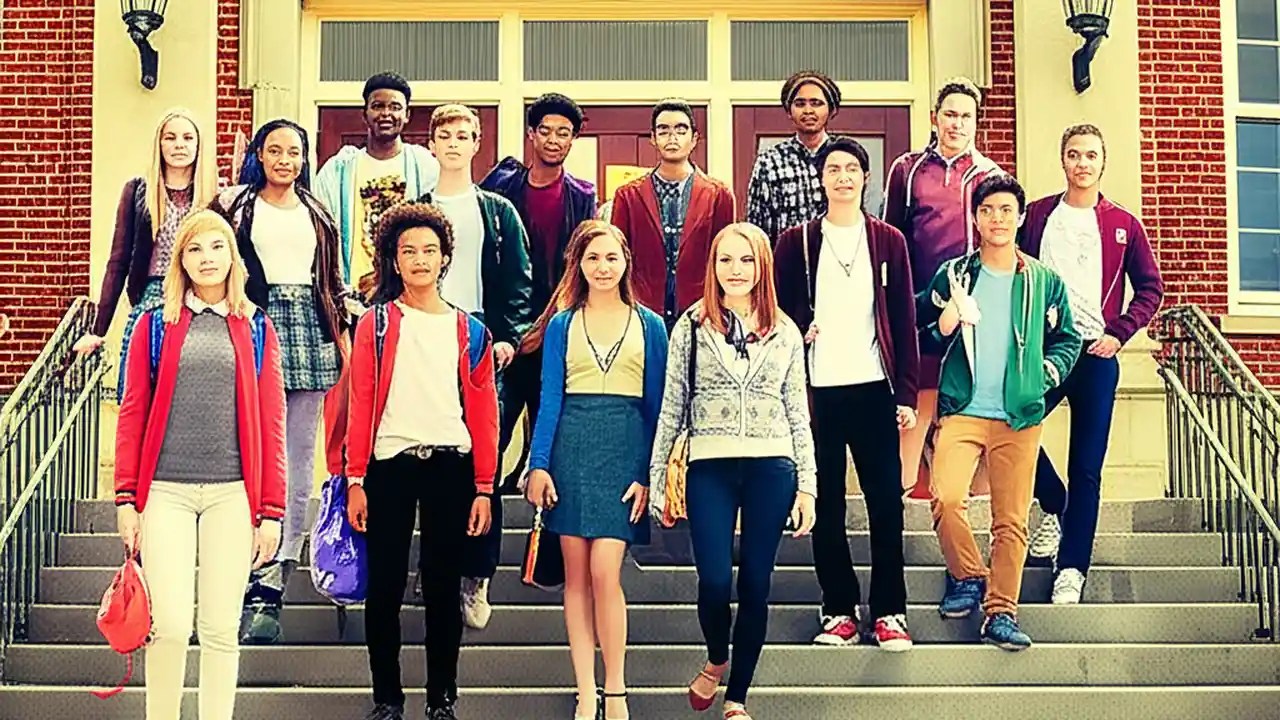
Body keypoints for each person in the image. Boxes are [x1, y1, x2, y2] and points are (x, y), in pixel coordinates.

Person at [114, 209, 286, 720]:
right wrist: (127, 499)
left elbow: (273, 423)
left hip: (234, 495)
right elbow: (132, 413)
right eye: (195, 249)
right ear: (181, 260)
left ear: (232, 256)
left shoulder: (255, 326)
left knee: (217, 628)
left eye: (217, 247)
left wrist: (271, 511)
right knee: (167, 625)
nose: (207, 258)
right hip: (165, 491)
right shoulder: (154, 324)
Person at [650, 222, 817, 720]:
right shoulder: (692, 326)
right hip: (710, 464)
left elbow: (797, 412)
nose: (736, 270)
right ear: (713, 266)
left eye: (746, 260)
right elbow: (672, 405)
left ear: (762, 265)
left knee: (757, 584)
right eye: (726, 260)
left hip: (772, 463)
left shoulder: (785, 331)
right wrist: (659, 477)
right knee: (715, 580)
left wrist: (808, 486)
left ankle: (737, 697)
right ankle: (717, 656)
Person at [344, 202, 498, 720]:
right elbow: (360, 399)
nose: (419, 259)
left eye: (429, 250)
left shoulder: (469, 330)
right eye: (407, 251)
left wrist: (484, 486)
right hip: (390, 465)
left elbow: (482, 411)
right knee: (384, 585)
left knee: (441, 587)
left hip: (450, 467)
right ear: (392, 260)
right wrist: (354, 477)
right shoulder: (377, 325)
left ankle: (441, 699)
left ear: (446, 258)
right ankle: (387, 698)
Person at [916, 174, 1081, 651]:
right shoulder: (955, 274)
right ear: (975, 217)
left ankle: (1001, 612)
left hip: (1018, 416)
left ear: (1020, 217)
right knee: (947, 498)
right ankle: (968, 574)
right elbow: (923, 326)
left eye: (1007, 210)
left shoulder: (1043, 282)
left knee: (1011, 520)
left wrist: (1047, 373)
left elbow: (1067, 337)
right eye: (988, 210)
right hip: (963, 408)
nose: (997, 219)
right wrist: (944, 324)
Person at [773, 138, 919, 650]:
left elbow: (903, 318)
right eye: (832, 169)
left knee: (886, 503)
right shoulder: (797, 242)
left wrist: (905, 393)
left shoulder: (888, 241)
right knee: (826, 504)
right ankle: (837, 608)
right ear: (821, 178)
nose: (841, 177)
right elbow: (778, 313)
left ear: (864, 178)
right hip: (818, 394)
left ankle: (889, 612)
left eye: (851, 169)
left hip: (874, 387)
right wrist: (798, 328)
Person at [210, 118, 349, 642]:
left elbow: (332, 279)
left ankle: (274, 581)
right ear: (260, 156)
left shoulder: (318, 212)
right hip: (252, 326)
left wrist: (345, 317)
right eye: (275, 150)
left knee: (296, 457)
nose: (284, 159)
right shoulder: (236, 206)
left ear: (304, 158)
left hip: (309, 328)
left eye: (294, 151)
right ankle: (238, 570)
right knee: (248, 452)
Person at [523, 221, 668, 720]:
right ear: (577, 265)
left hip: (626, 449)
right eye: (592, 259)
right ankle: (586, 692)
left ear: (626, 260)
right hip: (571, 449)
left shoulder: (651, 325)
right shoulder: (563, 323)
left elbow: (659, 407)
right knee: (577, 576)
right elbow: (548, 401)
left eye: (611, 257)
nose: (602, 268)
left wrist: (650, 471)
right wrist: (537, 464)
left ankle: (617, 687)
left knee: (607, 570)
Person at [1019, 124, 1164, 602]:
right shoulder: (1038, 216)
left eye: (1091, 156)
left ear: (1104, 163)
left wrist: (1118, 333)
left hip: (1097, 356)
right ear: (1062, 161)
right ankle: (1055, 506)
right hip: (1046, 352)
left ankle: (1072, 568)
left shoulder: (1123, 223)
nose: (1082, 163)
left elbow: (1150, 289)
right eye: (1074, 155)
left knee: (1087, 467)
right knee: (1014, 427)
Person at [423, 102, 535, 630]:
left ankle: (476, 574)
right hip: (423, 343)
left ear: (476, 144)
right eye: (444, 135)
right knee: (428, 458)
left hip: (481, 347)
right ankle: (434, 563)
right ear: (431, 144)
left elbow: (519, 279)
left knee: (480, 463)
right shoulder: (415, 208)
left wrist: (509, 337)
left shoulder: (496, 211)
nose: (453, 143)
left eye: (463, 135)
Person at [882, 77, 1003, 502]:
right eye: (950, 114)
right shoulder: (907, 169)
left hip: (976, 309)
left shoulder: (990, 174)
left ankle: (974, 501)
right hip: (919, 304)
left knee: (973, 399)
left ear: (977, 122)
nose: (957, 123)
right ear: (935, 118)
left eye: (966, 116)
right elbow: (891, 238)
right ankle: (902, 489)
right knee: (920, 395)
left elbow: (1002, 242)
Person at [480, 92, 598, 488]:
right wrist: (513, 331)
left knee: (550, 429)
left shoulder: (582, 196)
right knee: (493, 426)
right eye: (545, 131)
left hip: (556, 327)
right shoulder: (501, 188)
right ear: (531, 135)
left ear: (572, 140)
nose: (553, 140)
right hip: (503, 331)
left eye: (563, 133)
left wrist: (545, 326)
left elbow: (581, 264)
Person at [74, 108, 218, 395]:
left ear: (198, 145)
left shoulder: (214, 195)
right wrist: (98, 329)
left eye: (188, 137)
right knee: (140, 393)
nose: (179, 145)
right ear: (159, 144)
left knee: (189, 394)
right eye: (171, 137)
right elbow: (118, 262)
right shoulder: (138, 191)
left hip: (199, 299)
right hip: (151, 300)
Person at [314, 71, 441, 300]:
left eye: (395, 107)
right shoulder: (338, 171)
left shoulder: (425, 167)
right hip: (354, 298)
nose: (386, 113)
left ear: (407, 114)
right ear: (365, 114)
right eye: (378, 106)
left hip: (410, 295)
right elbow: (321, 236)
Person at [610, 99, 736, 329]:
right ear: (653, 138)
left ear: (694, 138)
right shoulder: (628, 196)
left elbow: (726, 257)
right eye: (664, 130)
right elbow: (618, 257)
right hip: (641, 311)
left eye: (680, 129)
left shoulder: (719, 195)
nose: (672, 137)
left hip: (701, 311)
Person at [745, 71, 842, 243]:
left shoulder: (845, 158)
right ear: (789, 111)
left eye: (816, 103)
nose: (808, 110)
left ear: (831, 110)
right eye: (800, 104)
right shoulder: (770, 162)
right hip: (787, 264)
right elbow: (756, 232)